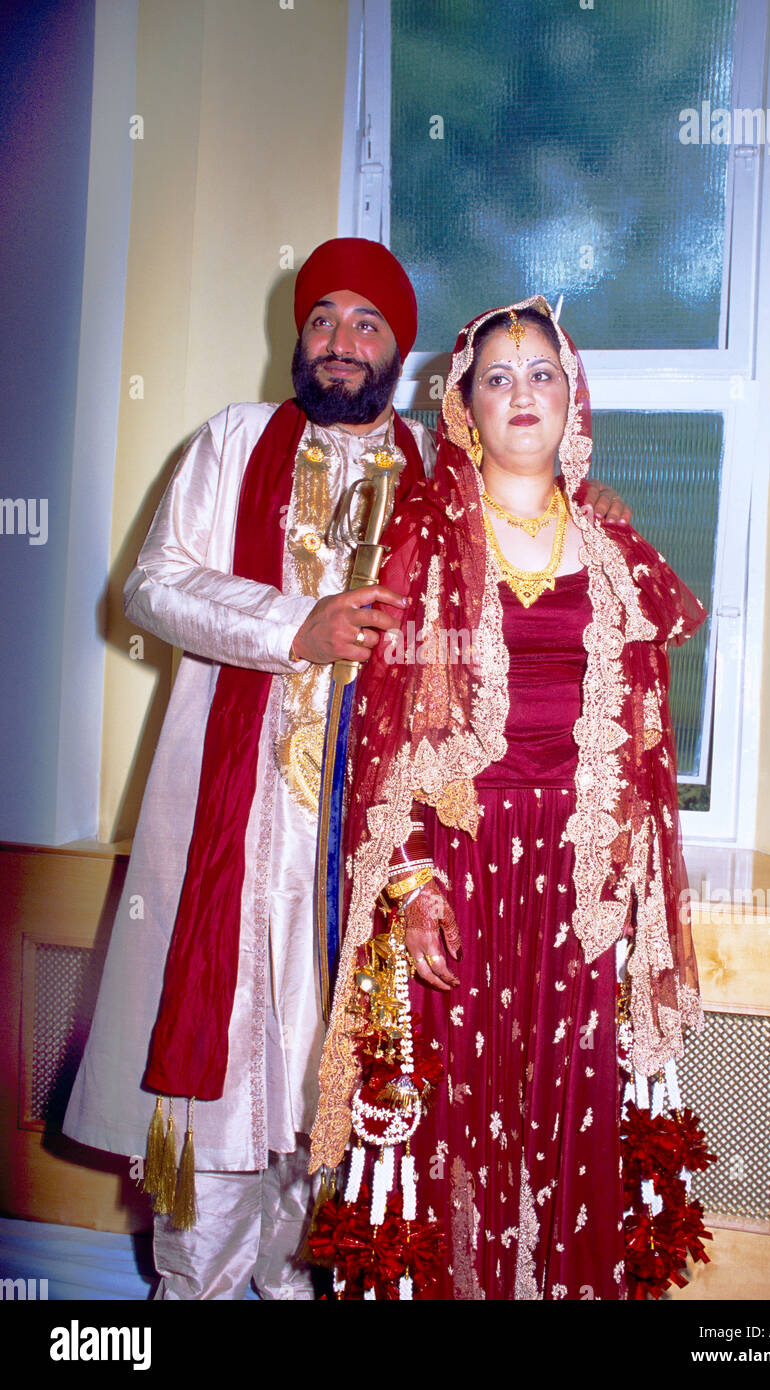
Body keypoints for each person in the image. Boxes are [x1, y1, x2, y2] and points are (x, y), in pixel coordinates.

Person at [62, 242, 630, 1301]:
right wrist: (296, 625)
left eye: (366, 322)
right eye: (321, 317)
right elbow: (153, 585)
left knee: (341, 1097)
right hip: (235, 833)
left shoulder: (438, 473)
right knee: (225, 1095)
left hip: (376, 844)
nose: (339, 340)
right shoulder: (233, 443)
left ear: (400, 347)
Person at [309, 297, 708, 1300]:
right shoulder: (426, 544)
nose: (521, 391)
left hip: (581, 884)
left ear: (572, 400)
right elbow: (388, 741)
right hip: (463, 871)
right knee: (452, 1118)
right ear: (462, 409)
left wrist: (625, 869)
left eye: (542, 373)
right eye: (497, 375)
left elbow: (644, 748)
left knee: (571, 1120)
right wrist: (409, 881)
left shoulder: (616, 556)